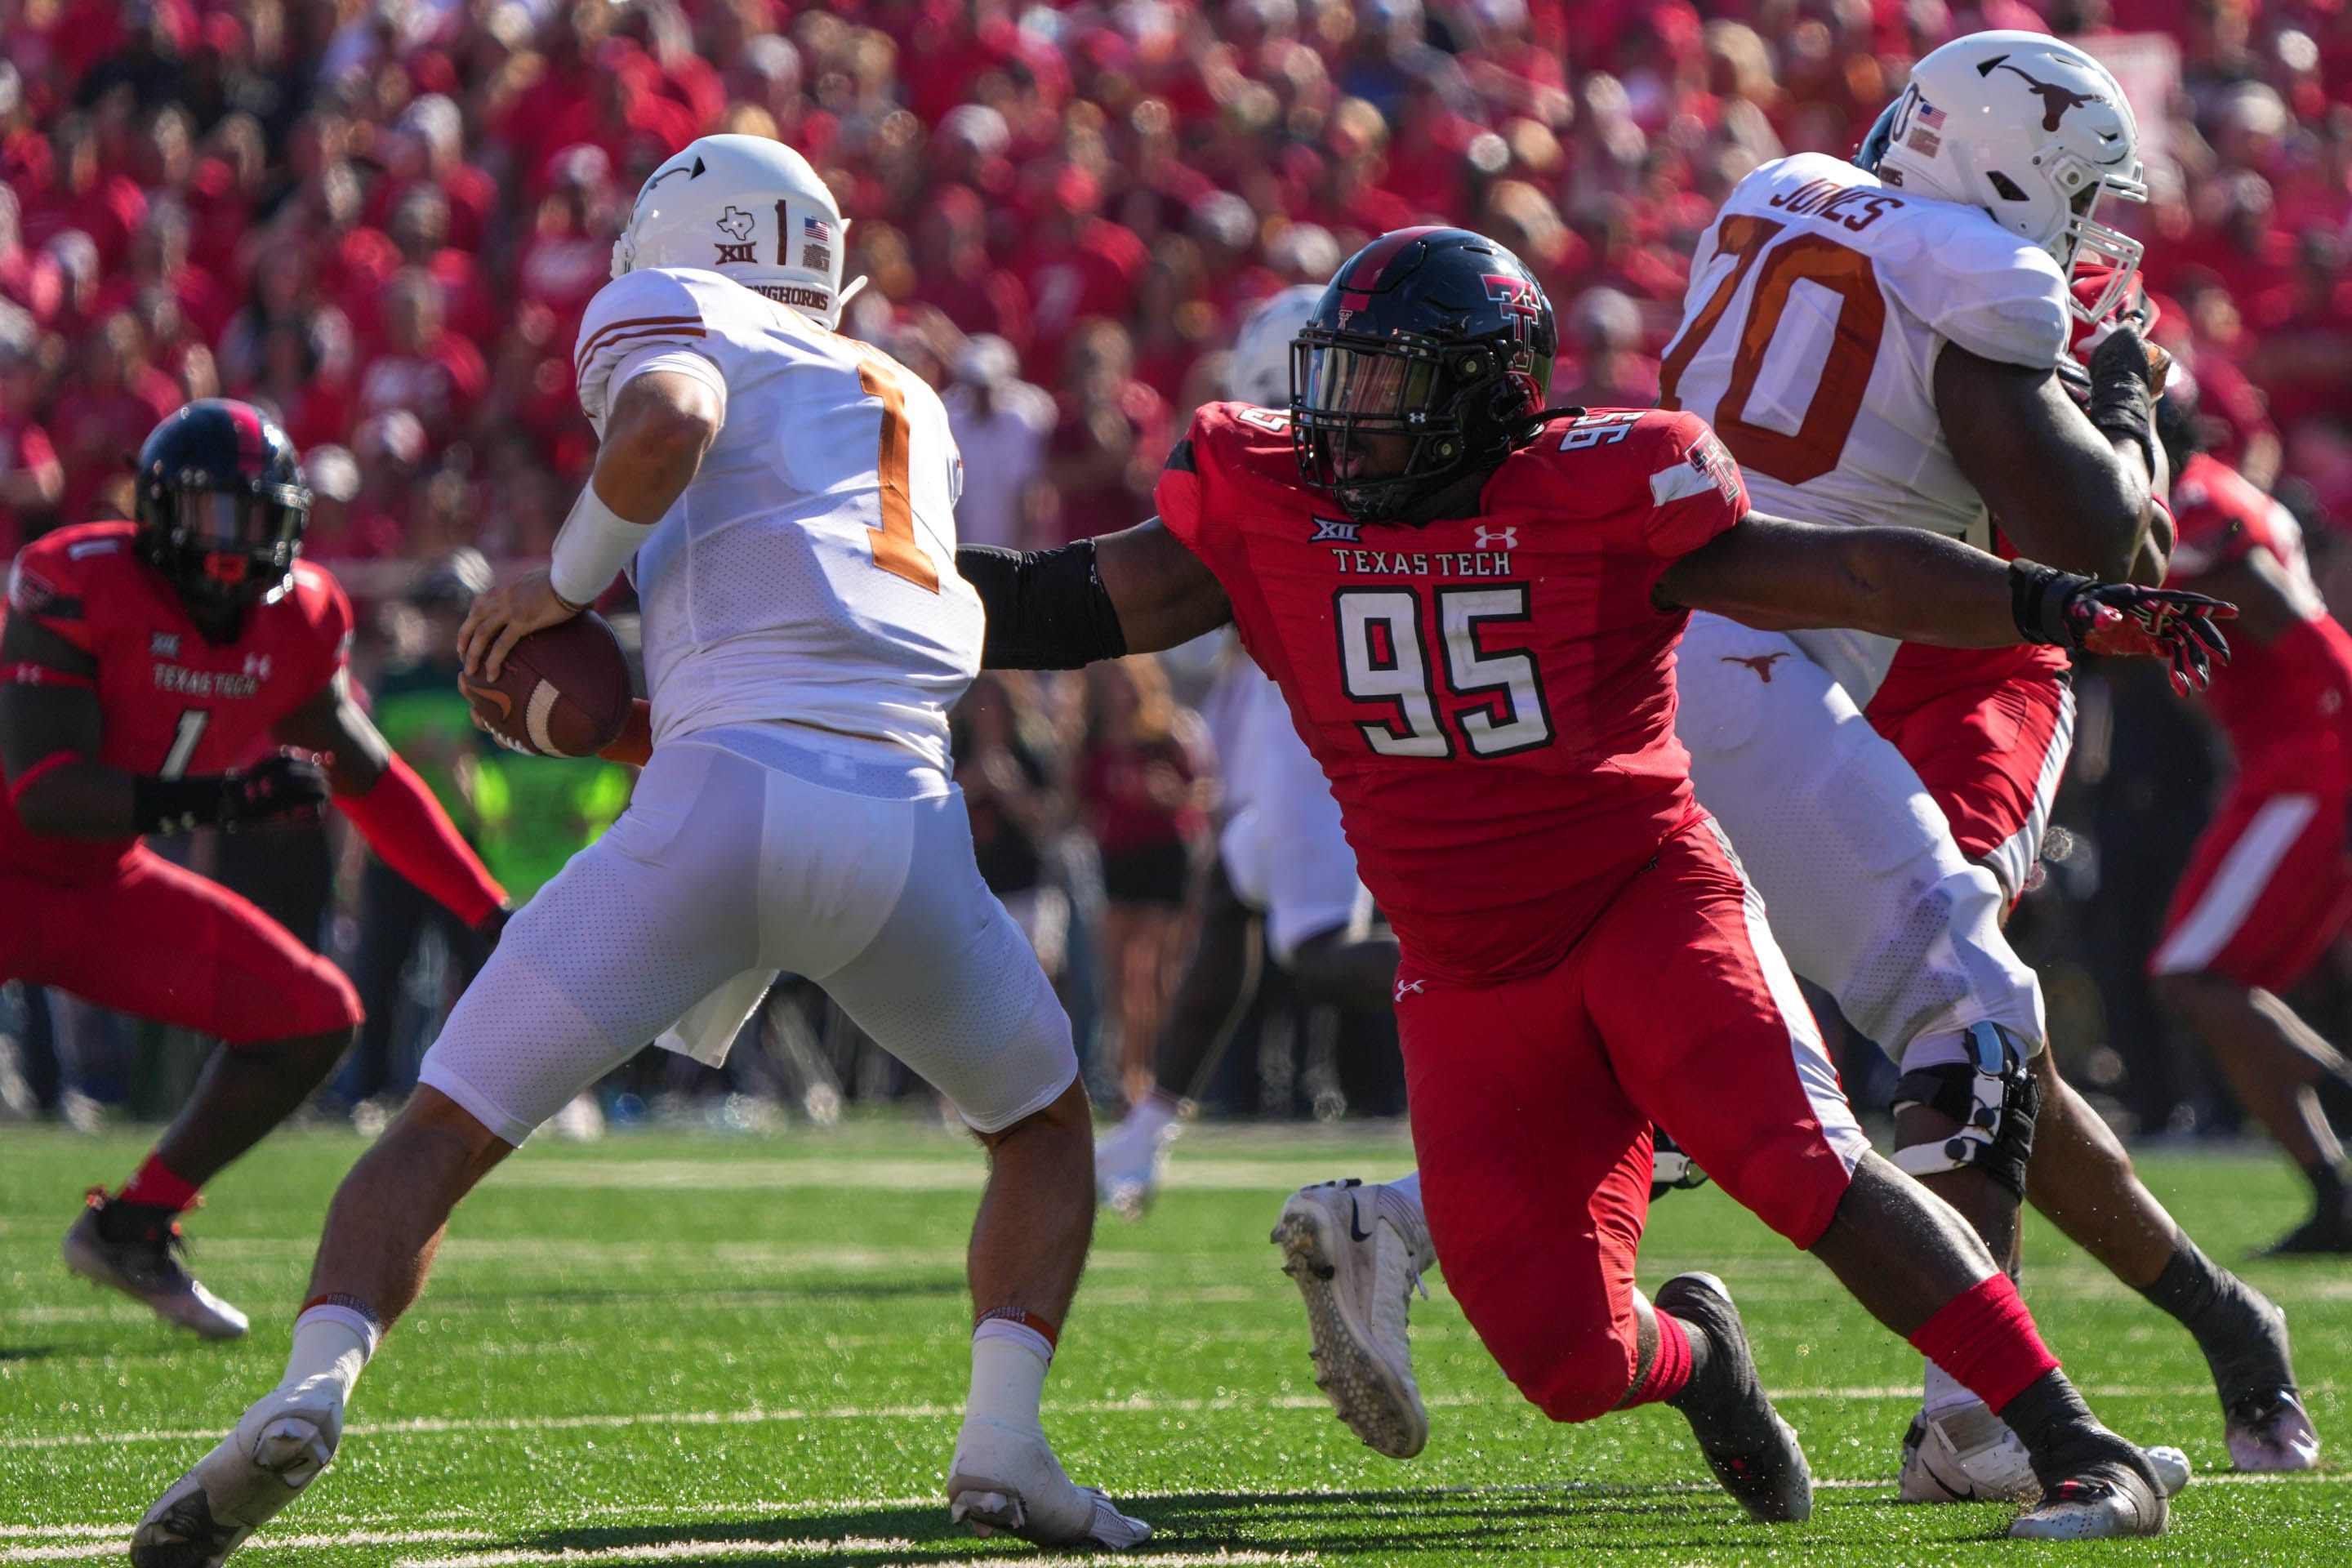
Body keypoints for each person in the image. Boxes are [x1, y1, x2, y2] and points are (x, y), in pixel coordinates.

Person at [960, 223, 2227, 1539]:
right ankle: (1704, 1361)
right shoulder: (1268, 498)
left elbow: (1847, 570)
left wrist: (2049, 604)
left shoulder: (1605, 489)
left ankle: (2078, 1445)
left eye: (1391, 384)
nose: (1349, 417)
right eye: (1342, 375)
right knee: (1566, 1364)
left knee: (1804, 1163)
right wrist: (865, 589)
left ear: (1487, 397)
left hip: (1642, 904)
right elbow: (1056, 602)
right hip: (1464, 976)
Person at [1280, 31, 2314, 1499]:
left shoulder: (1777, 190)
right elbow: (2101, 542)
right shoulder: (1986, 280)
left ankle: (1409, 1220)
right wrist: (2130, 405)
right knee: (1960, 1010)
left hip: (1653, 636)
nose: (2087, 235)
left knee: (1724, 1028)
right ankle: (1982, 1424)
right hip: (1767, 661)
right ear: (2012, 167)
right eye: (2079, 197)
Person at [131, 136, 1146, 1568]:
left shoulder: (681, 312)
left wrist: (558, 587)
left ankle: (312, 1386)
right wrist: (618, 712)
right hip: (906, 825)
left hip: (719, 802)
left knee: (440, 1133)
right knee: (1040, 1131)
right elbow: (813, 634)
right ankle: (1004, 1440)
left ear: (684, 240)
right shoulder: (905, 392)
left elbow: (668, 422)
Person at [0, 398, 509, 1341]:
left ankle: (134, 1227)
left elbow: (371, 780)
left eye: (256, 519)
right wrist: (223, 800)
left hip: (101, 887)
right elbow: (44, 791)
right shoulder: (72, 578)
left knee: (314, 1013)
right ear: (159, 512)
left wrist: (486, 911)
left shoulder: (300, 617)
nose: (234, 548)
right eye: (213, 516)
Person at [1094, 284, 1396, 1213]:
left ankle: (1532, 993)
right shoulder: (1359, 461)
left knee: (1316, 951)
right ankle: (1145, 1133)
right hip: (1294, 702)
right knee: (1229, 899)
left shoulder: (1297, 472)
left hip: (1307, 714)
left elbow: (1192, 626)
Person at [2147, 384, 2352, 1255]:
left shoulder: (2195, 503)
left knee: (2195, 976)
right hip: (2284, 761)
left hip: (2308, 764)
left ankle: (2340, 1129)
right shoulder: (2208, 490)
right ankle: (2334, 1198)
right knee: (2210, 983)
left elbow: (2292, 619)